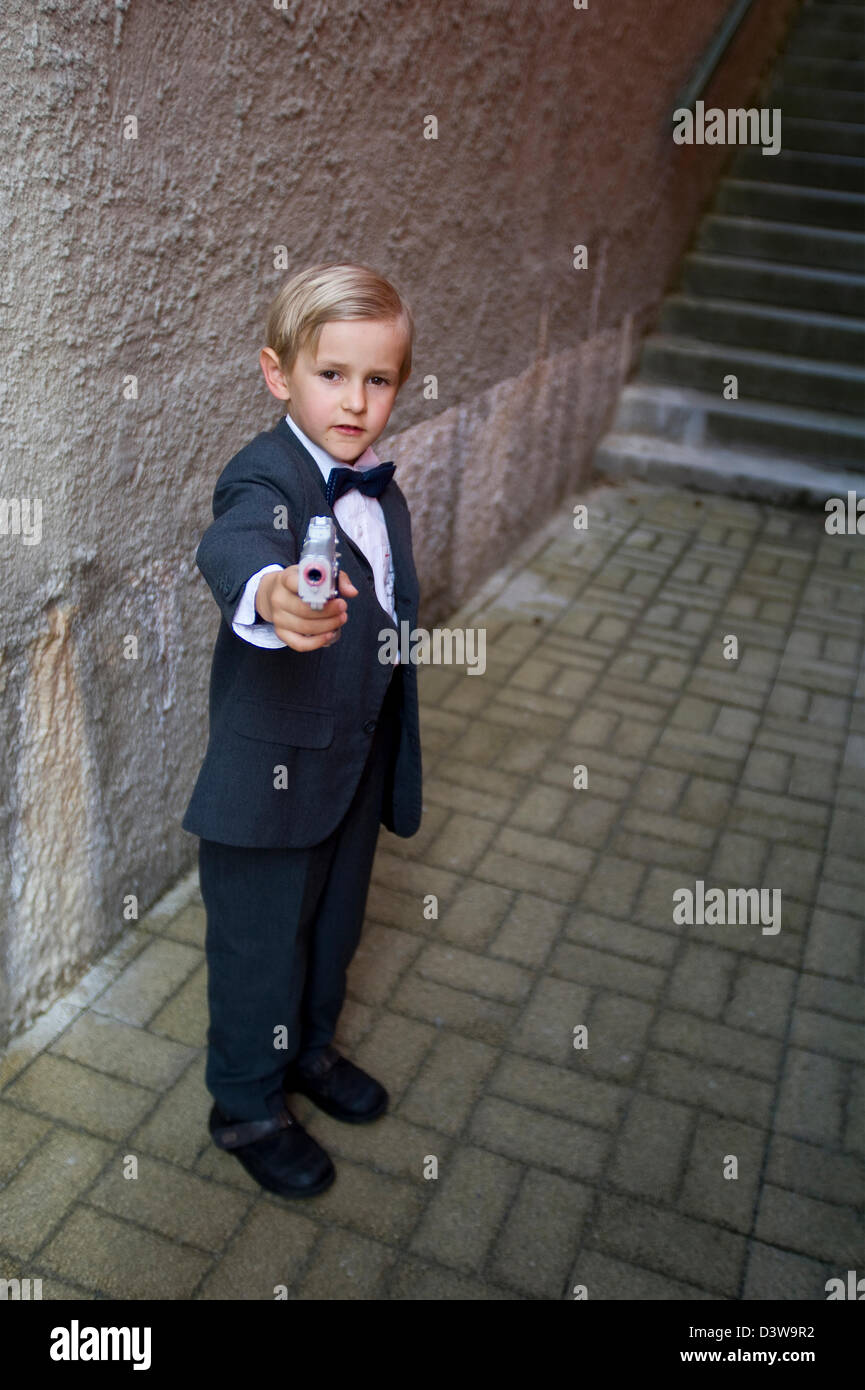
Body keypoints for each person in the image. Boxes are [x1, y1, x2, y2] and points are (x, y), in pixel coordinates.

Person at [181, 262, 423, 1198]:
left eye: (379, 379)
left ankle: (309, 1054)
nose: (356, 402)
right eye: (332, 375)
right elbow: (237, 544)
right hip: (267, 784)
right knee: (258, 946)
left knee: (333, 927)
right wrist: (272, 593)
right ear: (278, 374)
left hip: (353, 765)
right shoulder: (265, 476)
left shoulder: (377, 486)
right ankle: (244, 1104)